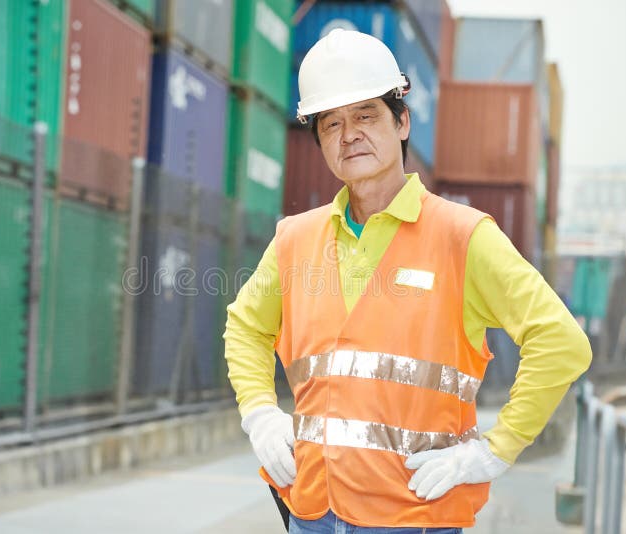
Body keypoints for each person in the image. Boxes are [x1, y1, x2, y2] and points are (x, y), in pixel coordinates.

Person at [223, 29, 592, 533]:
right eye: (331, 124)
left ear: (402, 123)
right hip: (312, 512)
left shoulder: (464, 237)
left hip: (414, 516)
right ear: (321, 141)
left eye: (366, 115)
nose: (349, 134)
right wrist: (260, 414)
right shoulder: (294, 239)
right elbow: (245, 327)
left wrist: (493, 452)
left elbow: (562, 343)